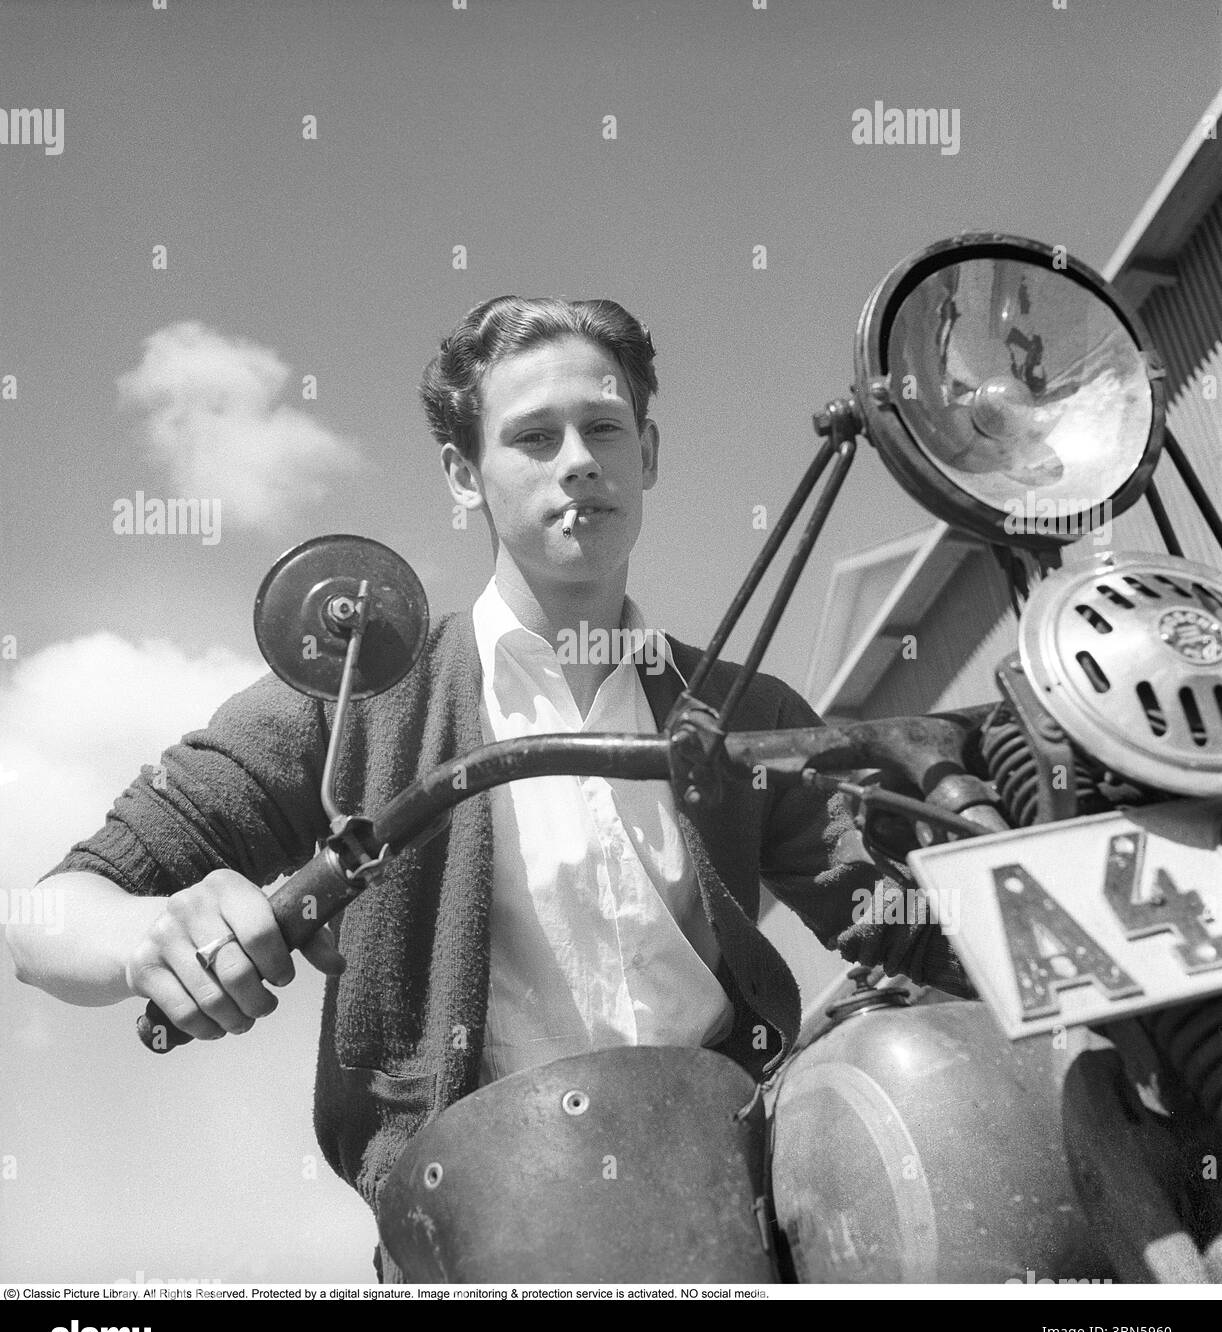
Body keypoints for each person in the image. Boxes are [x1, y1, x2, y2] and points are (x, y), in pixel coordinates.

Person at [7, 295, 969, 1279]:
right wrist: (152, 934)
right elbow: (43, 919)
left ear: (647, 452)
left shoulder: (743, 705)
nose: (577, 461)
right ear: (463, 474)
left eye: (603, 428)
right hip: (468, 1242)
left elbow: (905, 919)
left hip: (731, 1217)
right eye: (533, 437)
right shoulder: (362, 694)